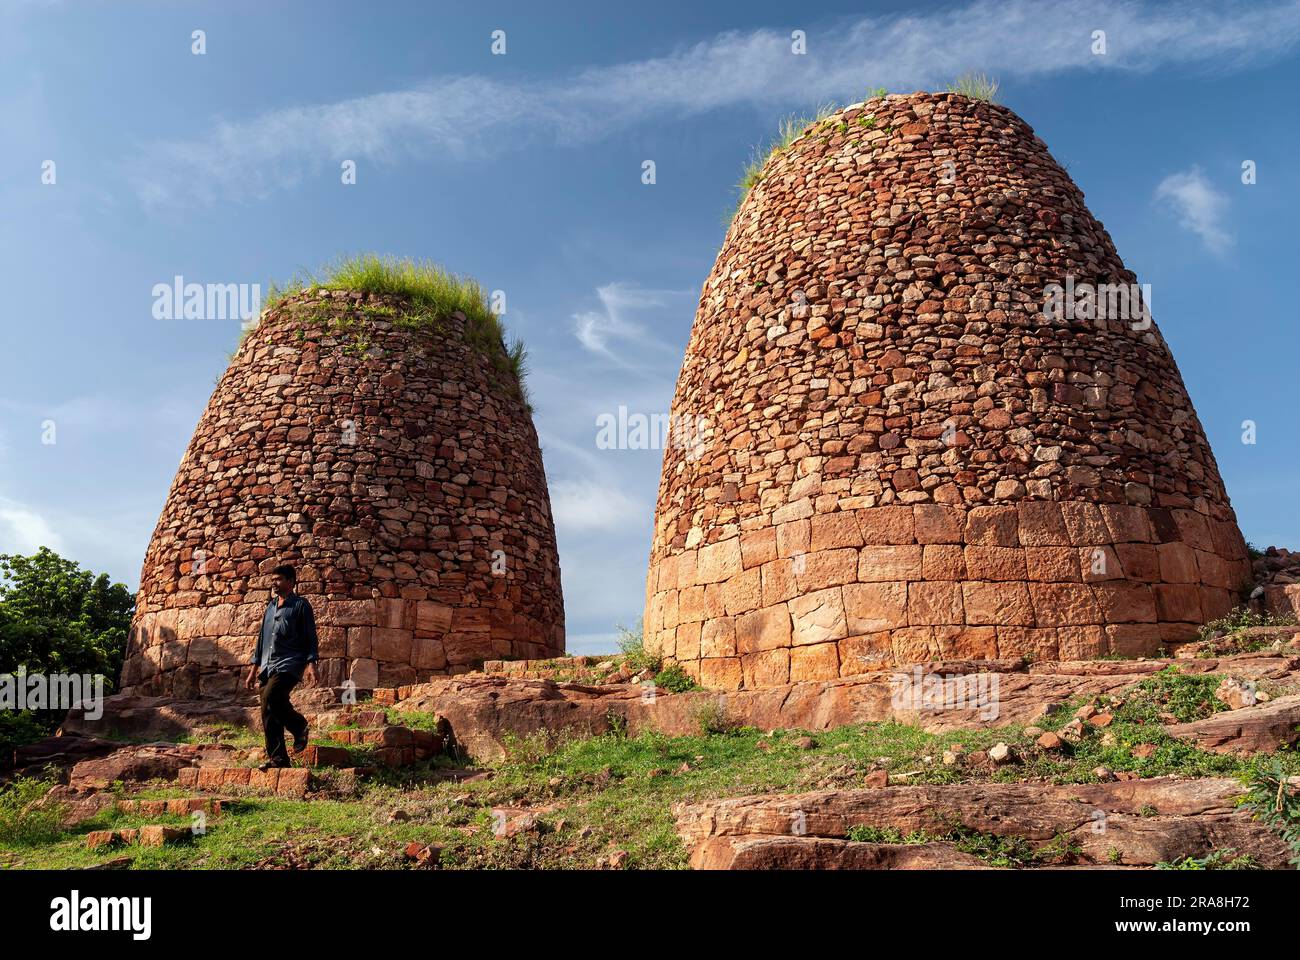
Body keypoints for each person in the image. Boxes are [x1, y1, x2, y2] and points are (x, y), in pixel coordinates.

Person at [244, 564, 318, 768]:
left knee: (271, 696)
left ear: (291, 582)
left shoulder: (301, 606)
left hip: (290, 664)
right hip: (268, 666)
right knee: (267, 711)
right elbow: (261, 641)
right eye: (272, 579)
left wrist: (311, 663)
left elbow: (310, 636)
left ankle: (299, 726)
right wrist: (253, 670)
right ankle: (278, 758)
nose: (273, 583)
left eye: (278, 579)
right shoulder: (270, 607)